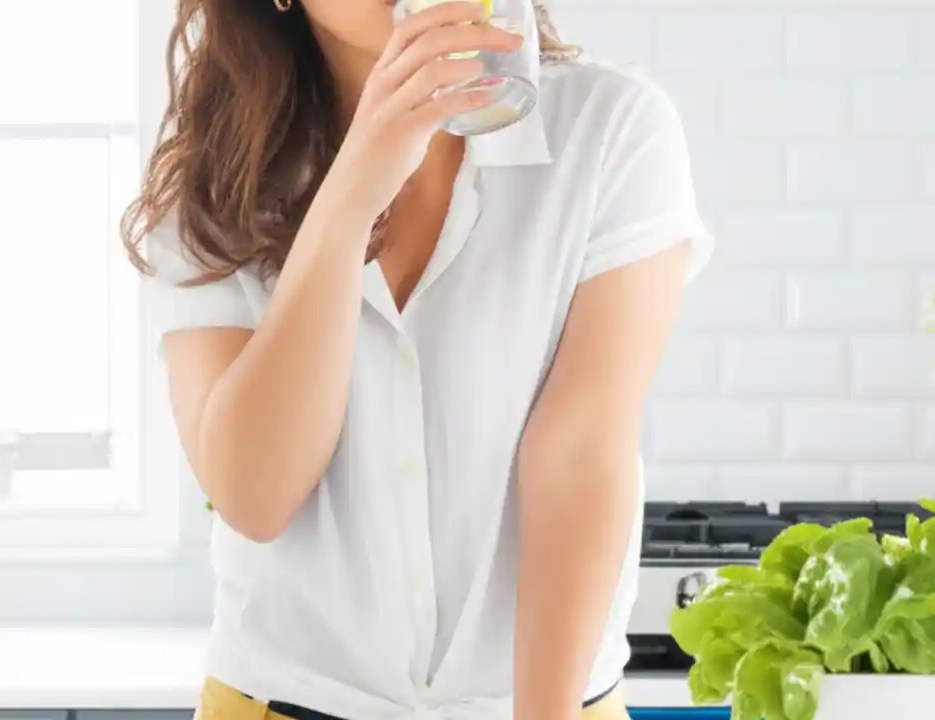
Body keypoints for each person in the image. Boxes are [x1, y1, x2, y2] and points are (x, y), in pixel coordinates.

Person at [122, 0, 714, 718]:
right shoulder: (212, 188)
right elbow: (255, 492)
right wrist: (353, 191)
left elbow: (580, 451)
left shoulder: (611, 129)